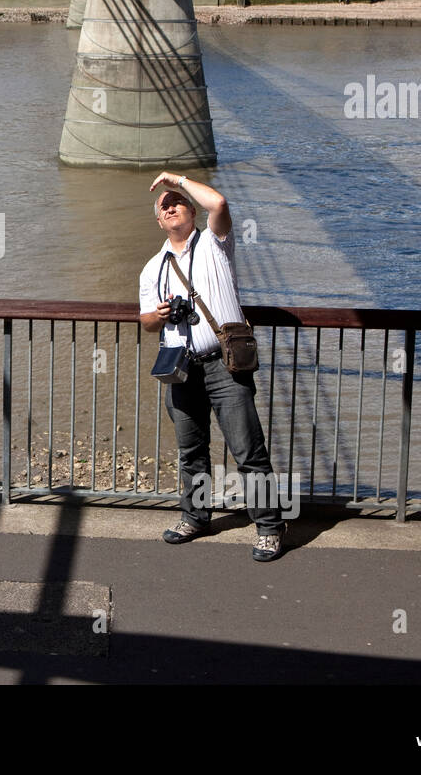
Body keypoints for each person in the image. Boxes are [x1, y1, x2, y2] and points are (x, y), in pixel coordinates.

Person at [138, 173, 287, 562]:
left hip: (225, 366)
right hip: (181, 369)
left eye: (177, 201)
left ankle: (270, 528)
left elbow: (219, 204)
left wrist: (177, 180)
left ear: (191, 209)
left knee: (248, 451)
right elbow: (146, 321)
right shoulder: (153, 268)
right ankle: (196, 517)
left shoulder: (215, 244)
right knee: (192, 451)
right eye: (164, 206)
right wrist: (158, 314)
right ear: (159, 221)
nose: (170, 207)